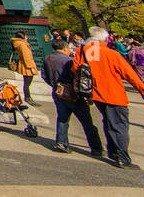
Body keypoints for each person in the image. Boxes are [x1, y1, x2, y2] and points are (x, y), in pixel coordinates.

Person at [73, 27, 144, 169]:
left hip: (96, 94)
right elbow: (130, 75)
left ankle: (113, 152)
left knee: (108, 122)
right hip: (114, 94)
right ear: (105, 39)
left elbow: (75, 69)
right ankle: (122, 157)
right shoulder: (111, 54)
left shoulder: (82, 52)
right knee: (119, 126)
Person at [41, 37, 103, 156]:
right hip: (73, 94)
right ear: (65, 48)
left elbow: (45, 76)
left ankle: (62, 142)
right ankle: (96, 147)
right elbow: (77, 77)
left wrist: (54, 84)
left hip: (58, 91)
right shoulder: (69, 61)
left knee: (63, 119)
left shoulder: (47, 59)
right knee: (86, 121)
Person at [8, 31, 39, 106]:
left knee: (27, 82)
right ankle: (28, 97)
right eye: (26, 36)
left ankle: (28, 97)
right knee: (27, 83)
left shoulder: (19, 44)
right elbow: (26, 57)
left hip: (24, 65)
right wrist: (31, 67)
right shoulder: (22, 45)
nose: (27, 37)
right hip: (27, 66)